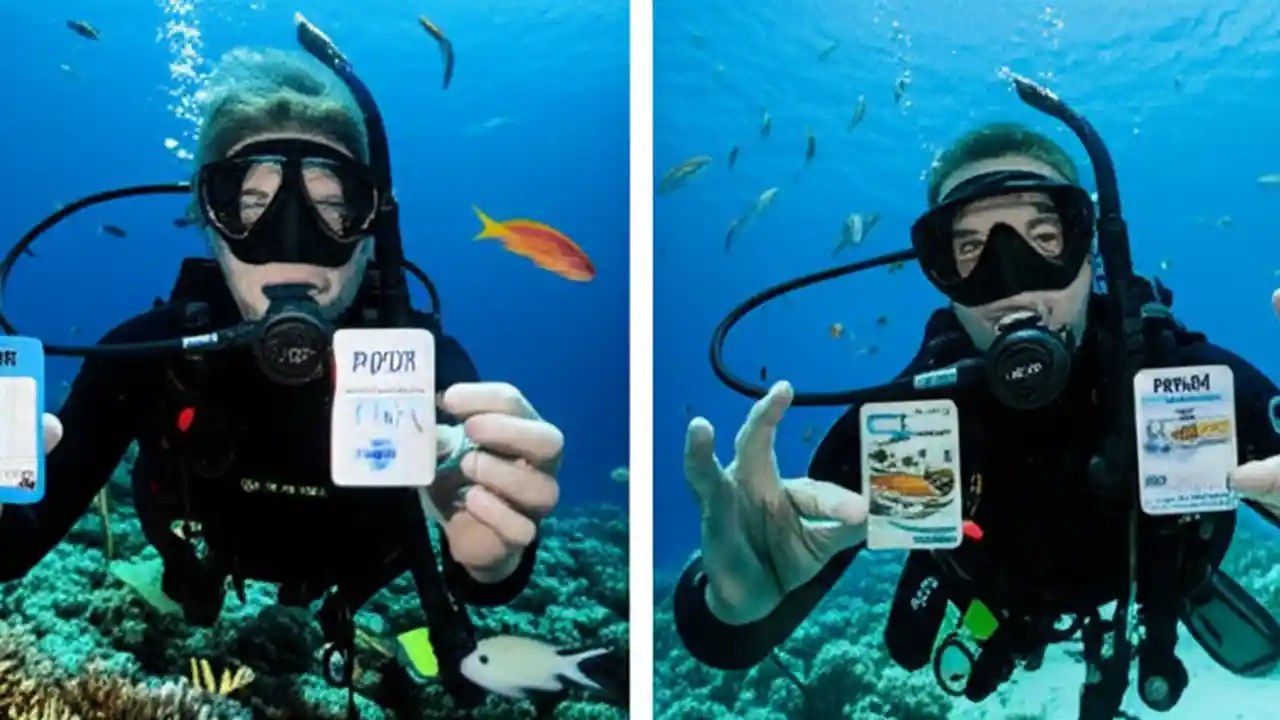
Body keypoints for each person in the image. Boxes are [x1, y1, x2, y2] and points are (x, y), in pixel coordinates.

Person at [0, 46, 563, 709]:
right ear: (211, 224)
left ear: (371, 229)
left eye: (332, 205)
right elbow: (15, 542)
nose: (291, 241)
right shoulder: (147, 355)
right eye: (250, 202)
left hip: (348, 583)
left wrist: (495, 561)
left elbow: (482, 571)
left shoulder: (424, 370)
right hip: (203, 568)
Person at [674, 120, 1280, 716]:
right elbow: (730, 637)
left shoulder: (1171, 377)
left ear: (1087, 247)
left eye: (1043, 236)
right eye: (970, 249)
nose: (1009, 279)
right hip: (1002, 609)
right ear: (943, 275)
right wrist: (734, 602)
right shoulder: (915, 420)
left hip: (1158, 581)